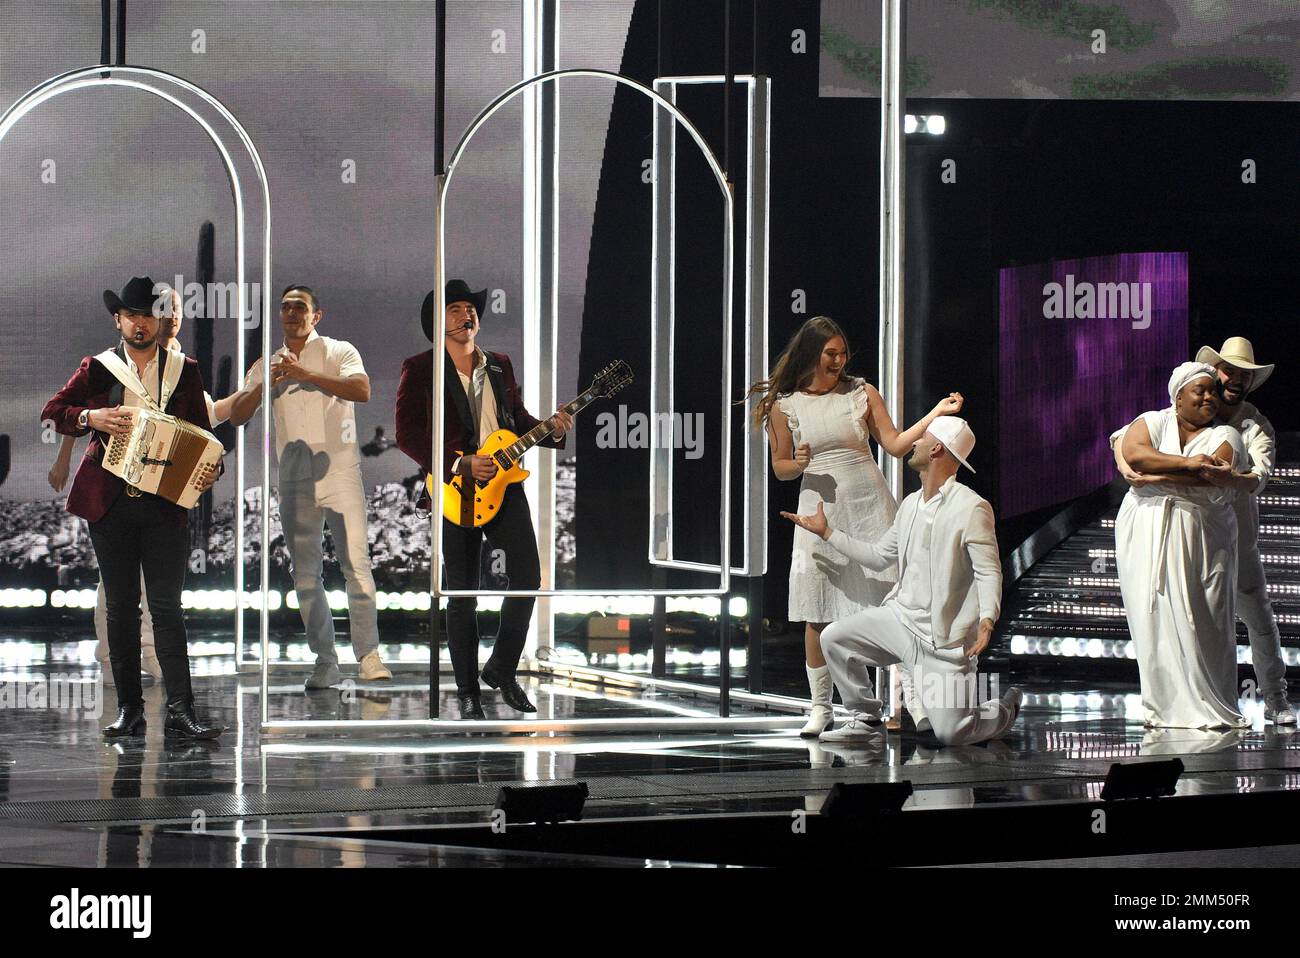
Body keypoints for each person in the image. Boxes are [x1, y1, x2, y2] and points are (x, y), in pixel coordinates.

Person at [748, 315, 962, 735]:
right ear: (811, 353)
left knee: (894, 605)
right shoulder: (784, 404)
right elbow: (781, 468)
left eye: (843, 352)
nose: (839, 360)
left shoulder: (860, 392)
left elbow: (897, 444)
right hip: (819, 509)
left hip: (869, 504)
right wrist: (800, 463)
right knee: (817, 610)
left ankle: (912, 703)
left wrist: (937, 411)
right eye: (831, 353)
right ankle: (823, 709)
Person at [47, 286, 258, 687]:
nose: (152, 319)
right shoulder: (103, 365)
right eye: (137, 314)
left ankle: (170, 685)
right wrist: (87, 423)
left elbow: (202, 426)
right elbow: (60, 411)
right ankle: (115, 672)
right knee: (117, 595)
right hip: (112, 496)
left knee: (163, 601)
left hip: (162, 498)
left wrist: (212, 466)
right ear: (121, 320)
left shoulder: (183, 368)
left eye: (160, 312)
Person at [782, 416, 1021, 746]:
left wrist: (987, 620)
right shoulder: (909, 504)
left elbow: (989, 571)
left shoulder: (971, 507)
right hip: (900, 620)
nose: (915, 442)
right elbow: (880, 556)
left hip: (943, 642)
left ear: (936, 448)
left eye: (923, 438)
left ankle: (1003, 710)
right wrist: (827, 533)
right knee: (835, 637)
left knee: (954, 733)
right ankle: (865, 717)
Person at [395, 280, 573, 719]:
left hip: (505, 485)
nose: (465, 315)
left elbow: (514, 421)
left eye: (469, 309)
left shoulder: (499, 364)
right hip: (457, 489)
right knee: (462, 594)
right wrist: (458, 464)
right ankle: (467, 690)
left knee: (528, 576)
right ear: (439, 322)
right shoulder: (421, 368)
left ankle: (502, 667)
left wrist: (551, 429)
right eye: (454, 309)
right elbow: (407, 434)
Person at [1115, 339, 1291, 725]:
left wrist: (1225, 478)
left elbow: (1254, 478)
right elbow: (1125, 440)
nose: (1235, 380)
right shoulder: (1177, 411)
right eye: (1229, 372)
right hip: (1181, 534)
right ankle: (1173, 701)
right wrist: (1131, 468)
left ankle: (1275, 697)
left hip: (1232, 539)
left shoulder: (1252, 426)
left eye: (1244, 375)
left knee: (1257, 618)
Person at [243, 285, 392, 690]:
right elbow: (239, 413)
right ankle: (325, 661)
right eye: (286, 307)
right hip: (293, 478)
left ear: (316, 315)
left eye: (300, 307)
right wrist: (263, 385)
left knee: (356, 566)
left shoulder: (340, 351)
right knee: (305, 574)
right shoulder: (268, 363)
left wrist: (305, 374)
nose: (292, 313)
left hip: (341, 471)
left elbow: (361, 390)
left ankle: (369, 654)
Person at [1113, 362, 1248, 729]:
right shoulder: (1153, 420)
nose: (1208, 397)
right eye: (1199, 391)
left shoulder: (1227, 434)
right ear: (1177, 398)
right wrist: (1186, 464)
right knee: (1151, 615)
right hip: (1145, 526)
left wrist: (1155, 477)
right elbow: (1136, 453)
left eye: (1212, 391)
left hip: (1202, 532)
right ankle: (1162, 708)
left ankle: (1211, 704)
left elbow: (1212, 476)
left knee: (1204, 618)